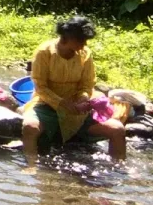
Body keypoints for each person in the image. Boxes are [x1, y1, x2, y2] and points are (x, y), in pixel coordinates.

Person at [22, 16, 126, 164]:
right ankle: (31, 166)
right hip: (46, 105)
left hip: (78, 108)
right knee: (29, 127)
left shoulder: (85, 54)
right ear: (67, 38)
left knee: (117, 129)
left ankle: (118, 168)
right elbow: (41, 87)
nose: (84, 45)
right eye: (81, 40)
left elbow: (87, 84)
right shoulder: (44, 52)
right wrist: (63, 104)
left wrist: (83, 99)